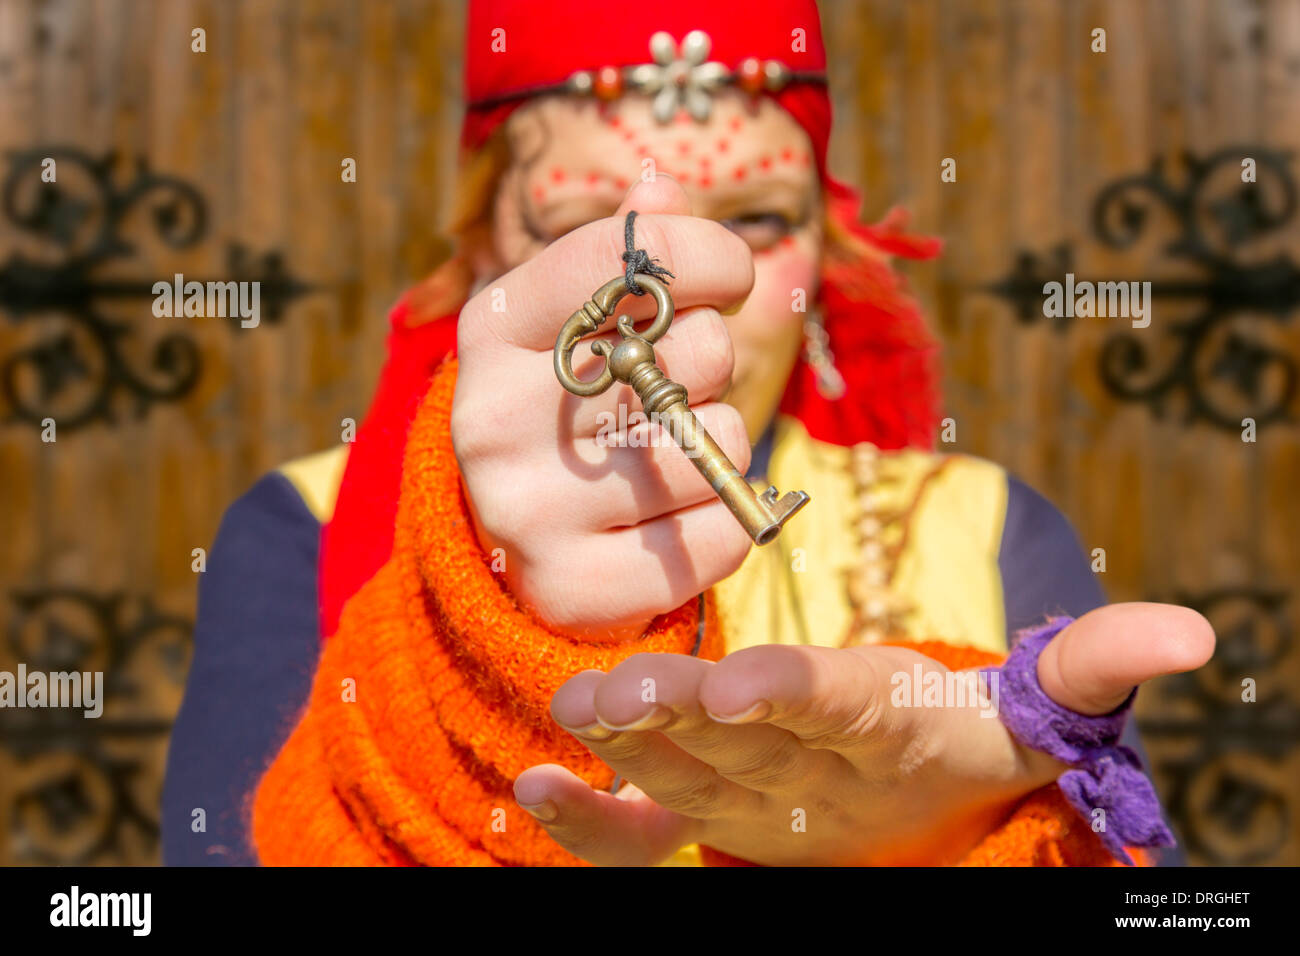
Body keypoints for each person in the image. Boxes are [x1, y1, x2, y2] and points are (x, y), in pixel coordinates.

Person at [162, 0, 1214, 867]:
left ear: (822, 253)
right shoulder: (297, 524)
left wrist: (961, 839)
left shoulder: (981, 524)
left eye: (755, 220)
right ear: (485, 250)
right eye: (588, 227)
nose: (680, 296)